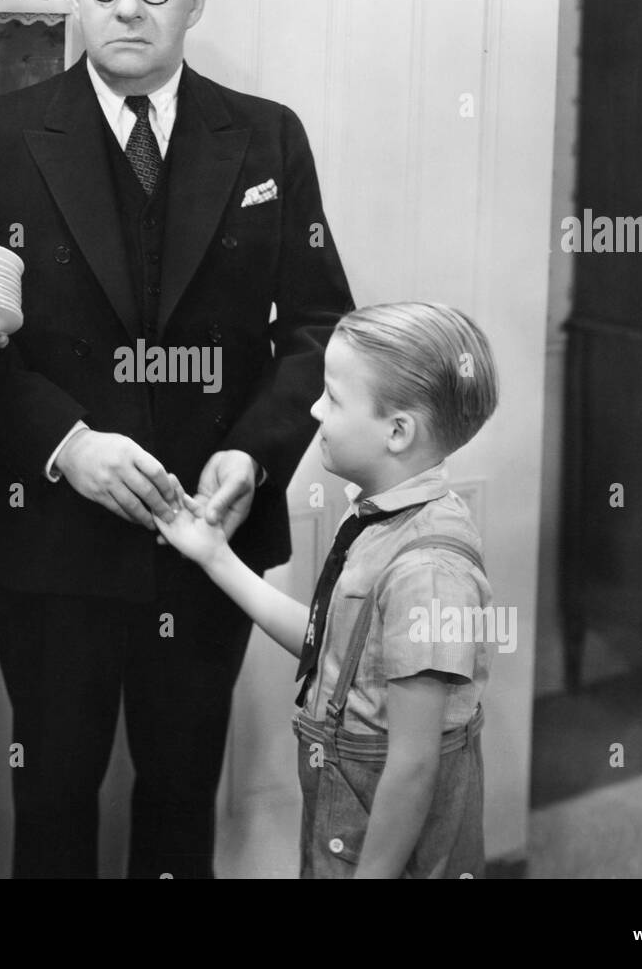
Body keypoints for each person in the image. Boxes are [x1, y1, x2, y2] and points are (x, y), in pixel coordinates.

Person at [0, 0, 355, 878]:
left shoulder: (265, 137)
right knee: (52, 795)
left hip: (207, 537)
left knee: (179, 793)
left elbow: (318, 324)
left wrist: (255, 448)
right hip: (50, 534)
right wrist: (66, 444)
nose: (129, 7)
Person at [155, 302, 499, 878]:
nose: (314, 408)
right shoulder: (378, 520)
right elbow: (330, 652)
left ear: (397, 431)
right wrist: (214, 554)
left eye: (334, 398)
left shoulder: (429, 572)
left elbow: (413, 767)